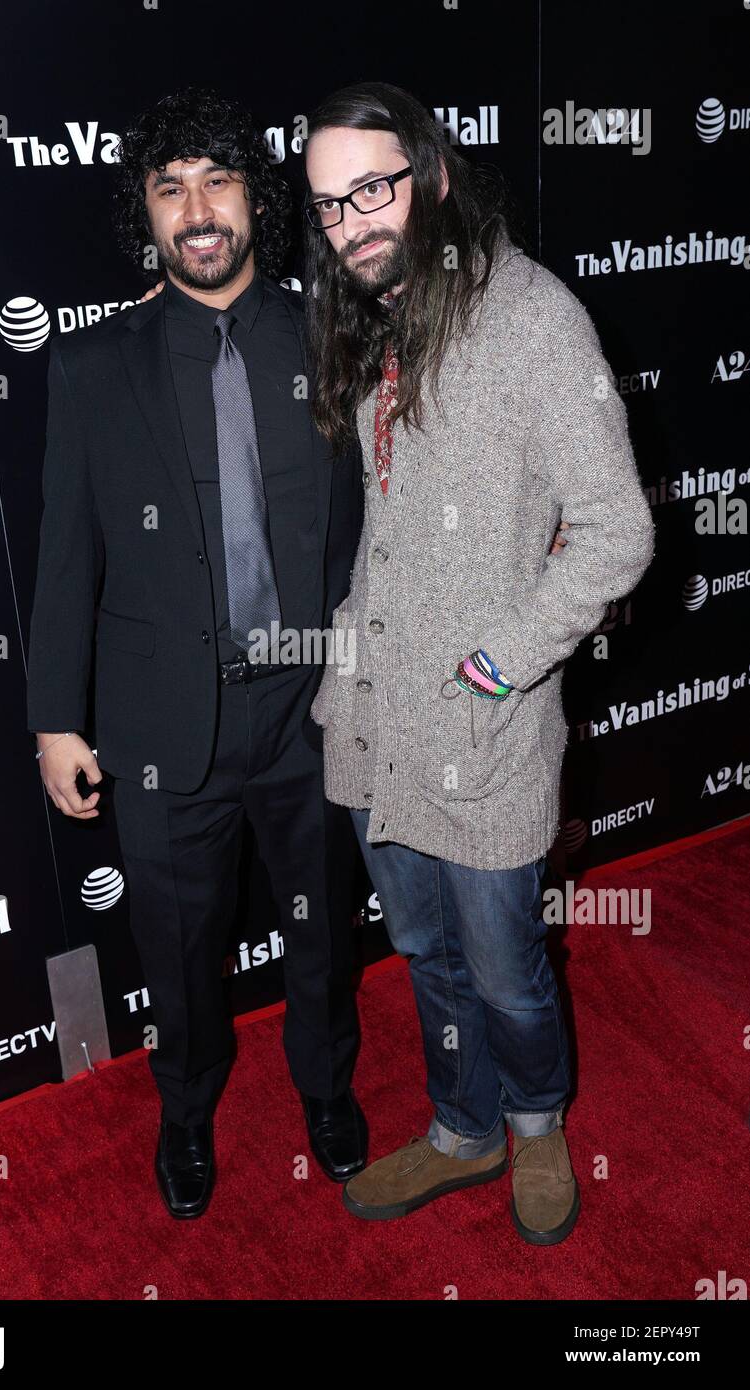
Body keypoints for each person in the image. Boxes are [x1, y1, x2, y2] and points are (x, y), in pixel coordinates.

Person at [302, 82, 656, 1244]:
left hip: (483, 732)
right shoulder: (376, 314)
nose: (352, 221)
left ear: (435, 176)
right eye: (327, 204)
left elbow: (617, 527)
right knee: (422, 954)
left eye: (372, 187)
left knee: (506, 969)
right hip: (373, 718)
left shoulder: (533, 317)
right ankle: (462, 1128)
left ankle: (538, 1120)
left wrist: (499, 666)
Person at [26, 87, 370, 1219]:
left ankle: (325, 1090)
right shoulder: (91, 367)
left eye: (217, 181)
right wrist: (54, 717)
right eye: (169, 189)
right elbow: (67, 555)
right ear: (148, 214)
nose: (197, 209)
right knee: (176, 952)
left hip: (309, 710)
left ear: (255, 200)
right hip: (163, 724)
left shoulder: (331, 333)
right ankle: (186, 1113)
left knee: (322, 925)